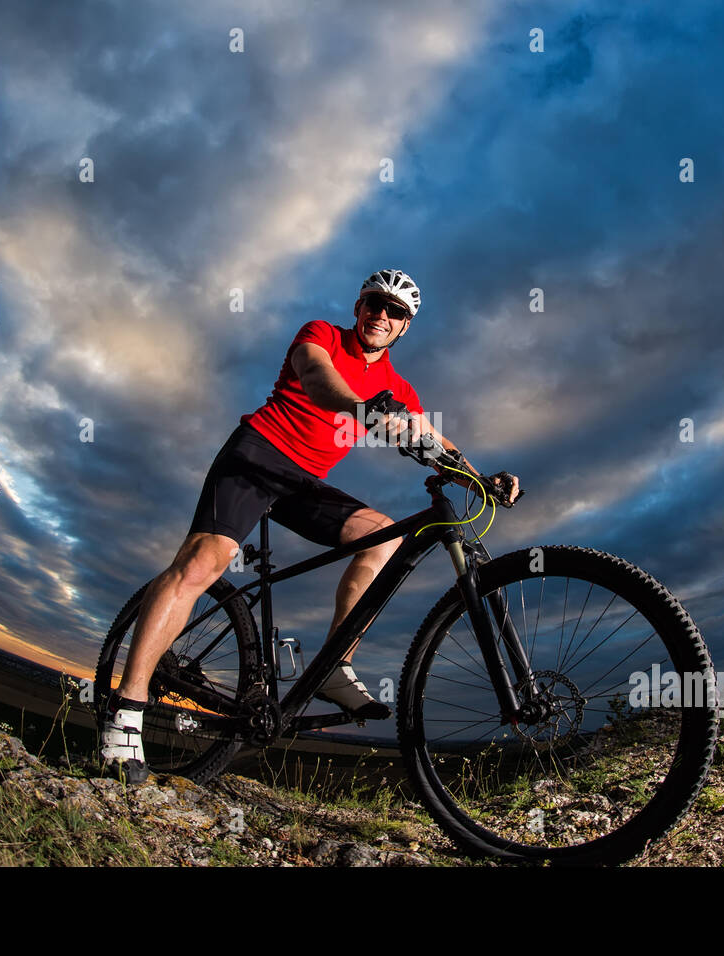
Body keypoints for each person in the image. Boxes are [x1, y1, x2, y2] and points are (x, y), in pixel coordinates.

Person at [99, 268, 520, 782]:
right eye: (374, 303)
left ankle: (336, 666)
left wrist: (482, 479)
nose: (381, 316)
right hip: (256, 456)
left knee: (382, 536)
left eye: (396, 312)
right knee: (201, 564)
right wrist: (363, 406)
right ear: (359, 305)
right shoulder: (321, 333)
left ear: (406, 326)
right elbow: (319, 381)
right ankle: (126, 709)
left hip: (304, 483)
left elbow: (436, 442)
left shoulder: (397, 385)